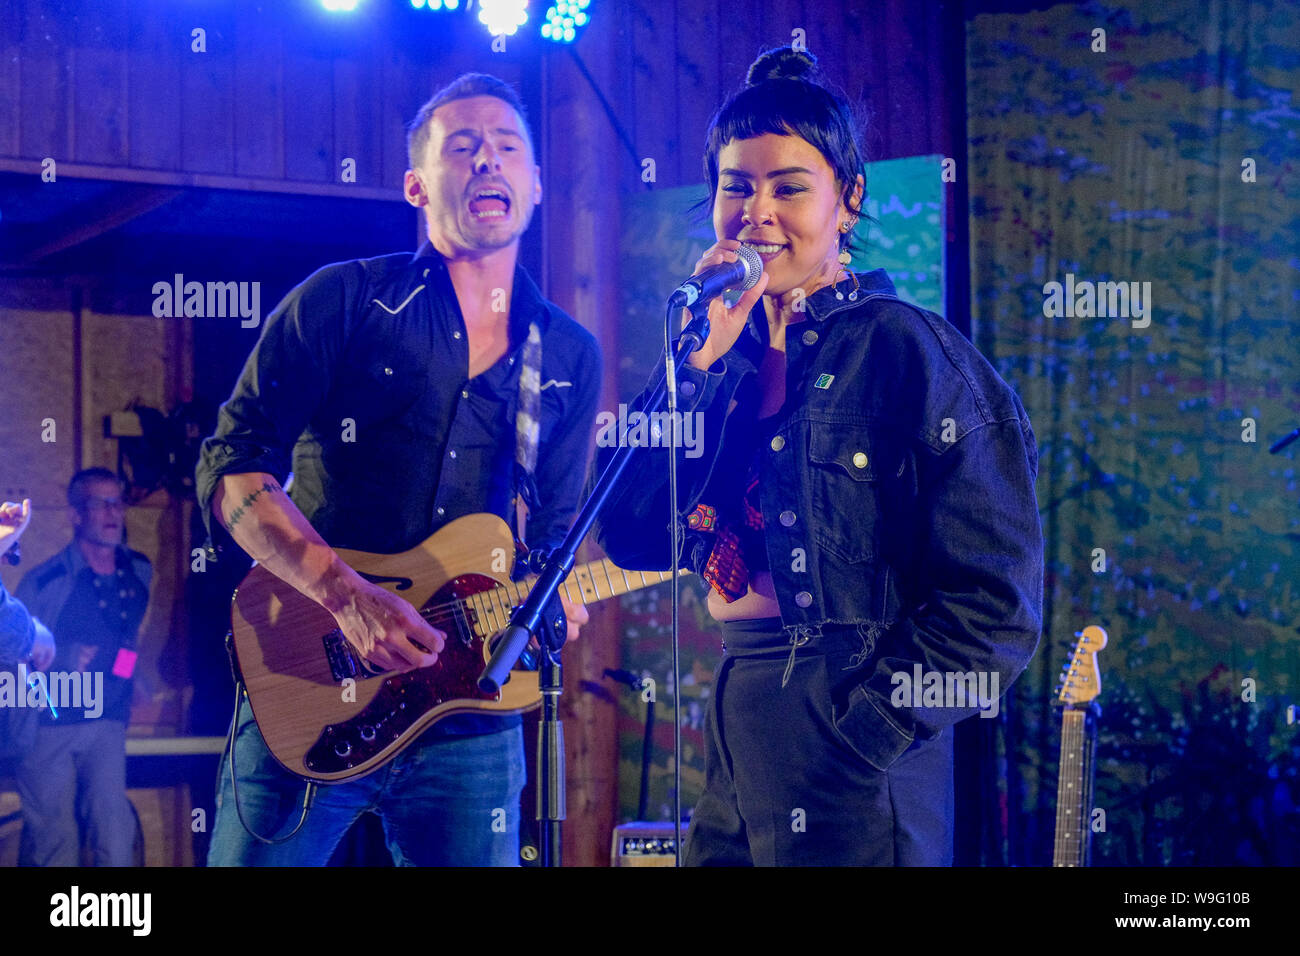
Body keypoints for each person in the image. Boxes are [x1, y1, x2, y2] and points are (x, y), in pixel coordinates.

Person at [596, 47, 1043, 866]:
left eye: (789, 187)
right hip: (738, 709)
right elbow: (627, 533)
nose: (756, 212)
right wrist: (690, 372)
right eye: (736, 185)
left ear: (849, 200)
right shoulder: (711, 359)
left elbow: (998, 609)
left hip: (853, 721)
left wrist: (866, 730)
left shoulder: (910, 354)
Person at [196, 73, 600, 866]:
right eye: (464, 148)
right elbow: (233, 467)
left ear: (538, 183)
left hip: (470, 722)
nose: (489, 162)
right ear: (417, 184)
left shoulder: (569, 355)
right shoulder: (340, 301)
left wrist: (559, 601)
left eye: (508, 148)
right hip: (310, 684)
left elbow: (551, 537)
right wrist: (345, 595)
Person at [13, 470, 149, 866]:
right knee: (55, 846)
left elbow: (128, 640)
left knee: (115, 839)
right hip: (47, 727)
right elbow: (12, 662)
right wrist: (63, 659)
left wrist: (125, 678)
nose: (112, 513)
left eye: (117, 502)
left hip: (105, 723)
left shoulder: (136, 572)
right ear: (75, 515)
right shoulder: (44, 582)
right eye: (99, 504)